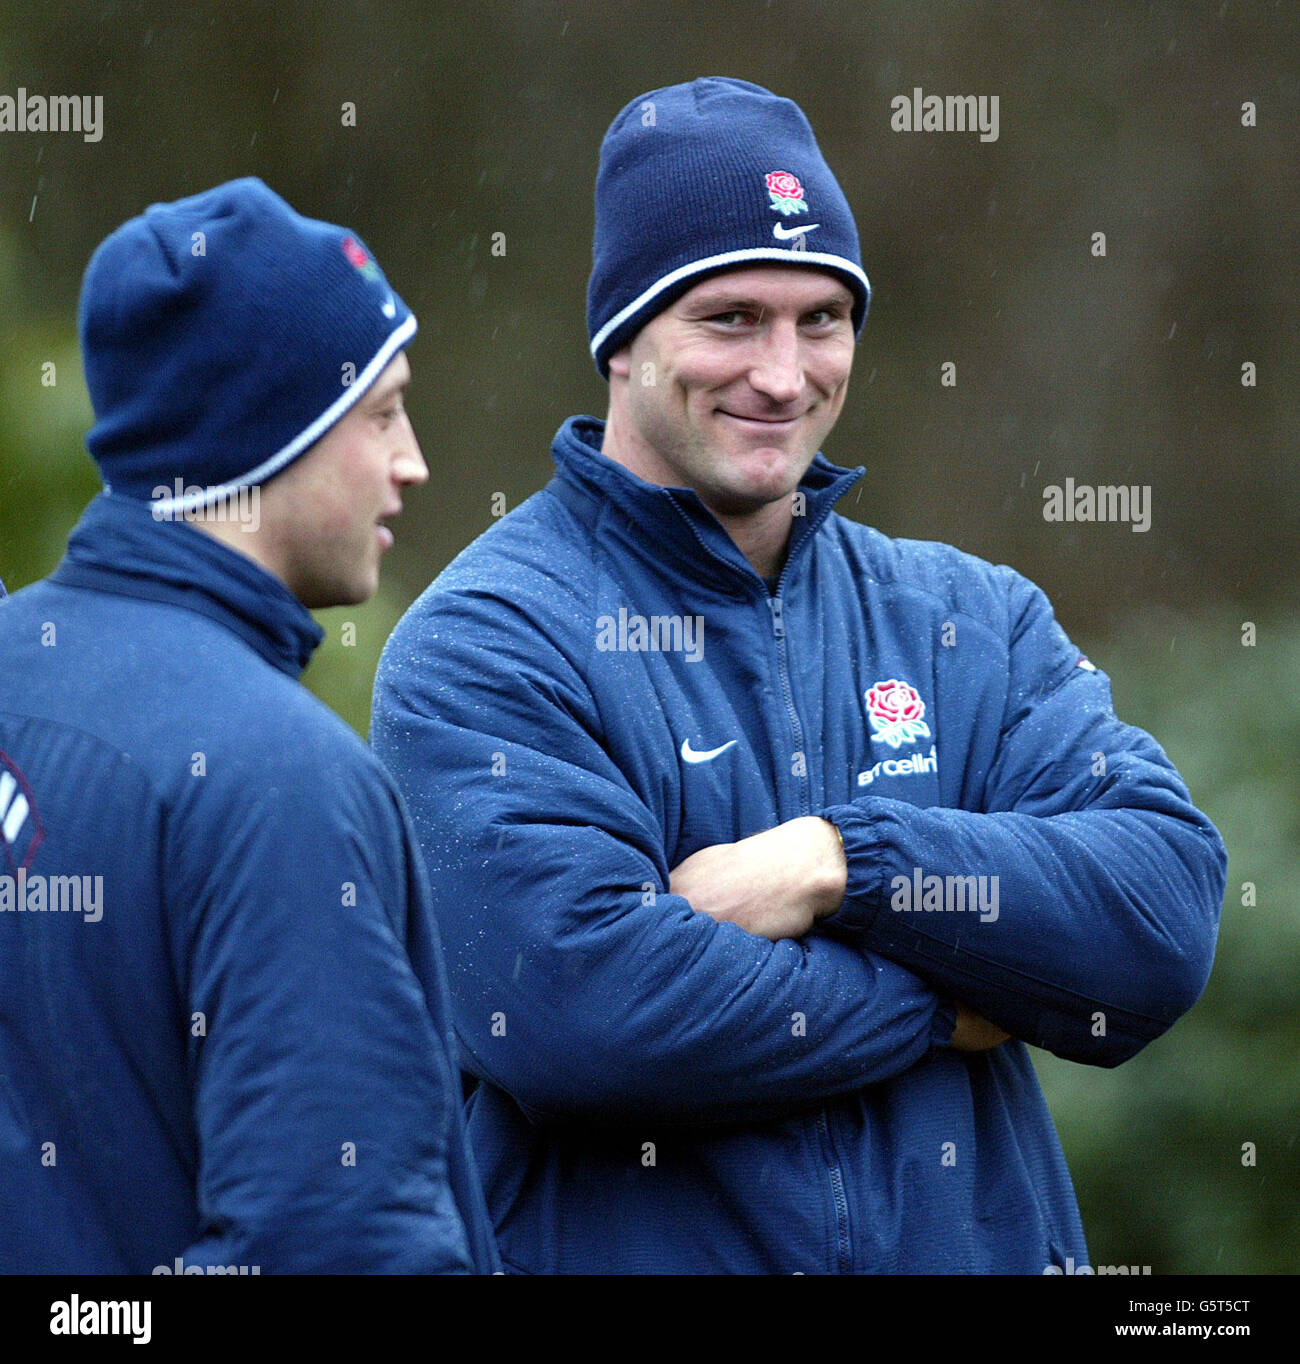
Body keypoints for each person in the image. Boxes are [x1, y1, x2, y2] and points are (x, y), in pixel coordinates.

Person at [372, 79, 1226, 1274]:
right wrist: (952, 1000)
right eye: (731, 318)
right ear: (622, 337)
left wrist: (841, 861)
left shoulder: (964, 618)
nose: (783, 374)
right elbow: (586, 1013)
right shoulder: (490, 641)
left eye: (821, 319)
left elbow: (1160, 913)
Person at [0, 178, 498, 1274]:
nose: (411, 458)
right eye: (379, 412)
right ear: (271, 436)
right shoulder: (278, 773)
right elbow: (335, 1244)